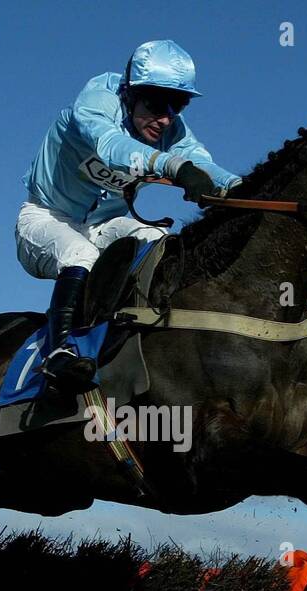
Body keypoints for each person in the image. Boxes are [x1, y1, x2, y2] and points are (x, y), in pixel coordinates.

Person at [17, 39, 241, 392]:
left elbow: (203, 164)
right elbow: (110, 146)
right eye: (155, 102)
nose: (166, 117)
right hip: (47, 219)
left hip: (103, 224)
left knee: (160, 243)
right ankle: (57, 355)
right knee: (81, 254)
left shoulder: (170, 129)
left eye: (178, 104)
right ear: (129, 92)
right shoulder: (96, 101)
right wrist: (172, 164)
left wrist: (241, 188)